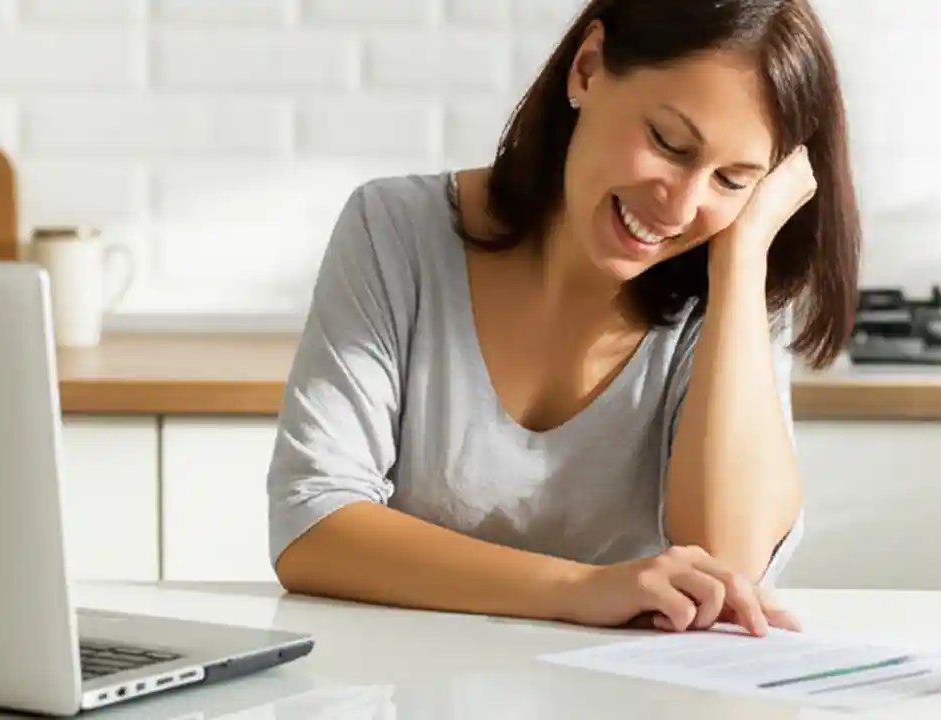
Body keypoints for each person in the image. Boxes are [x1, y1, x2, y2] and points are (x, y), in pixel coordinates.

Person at [267, 0, 859, 636]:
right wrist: (581, 589)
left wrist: (742, 258)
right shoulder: (396, 231)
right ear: (588, 67)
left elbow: (726, 566)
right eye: (669, 142)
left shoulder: (731, 288)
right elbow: (312, 524)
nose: (682, 207)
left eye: (733, 180)